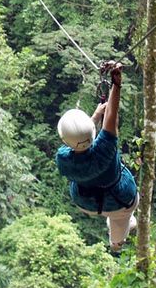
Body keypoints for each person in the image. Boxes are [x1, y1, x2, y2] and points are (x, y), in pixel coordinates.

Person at [55, 61, 138, 253]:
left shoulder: (64, 160)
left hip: (86, 202)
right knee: (123, 217)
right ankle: (117, 243)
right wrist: (116, 84)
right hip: (120, 199)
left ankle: (117, 235)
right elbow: (112, 118)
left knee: (118, 215)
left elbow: (79, 143)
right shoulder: (104, 149)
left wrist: (95, 115)